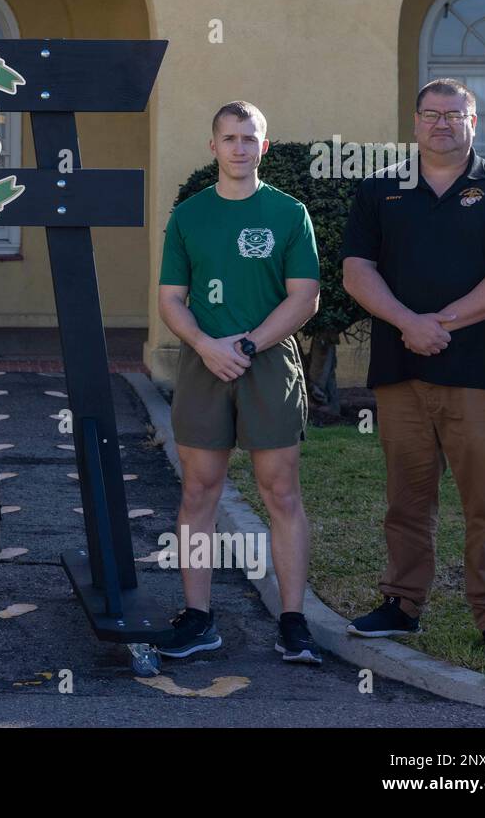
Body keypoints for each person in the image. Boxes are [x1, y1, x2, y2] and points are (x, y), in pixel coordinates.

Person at [340, 78, 485, 660]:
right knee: (407, 499)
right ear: (415, 122)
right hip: (401, 372)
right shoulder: (380, 190)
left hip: (479, 375)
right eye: (431, 115)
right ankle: (401, 605)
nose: (442, 124)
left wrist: (441, 324)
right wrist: (409, 322)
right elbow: (357, 270)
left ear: (473, 123)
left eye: (455, 116)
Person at [157, 101, 324, 664]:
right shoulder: (189, 215)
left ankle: (294, 622)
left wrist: (248, 345)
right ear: (213, 147)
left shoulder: (288, 212)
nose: (238, 147)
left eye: (249, 138)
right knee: (198, 491)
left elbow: (304, 296)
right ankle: (199, 618)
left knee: (280, 492)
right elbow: (171, 301)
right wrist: (207, 346)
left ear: (263, 147)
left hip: (268, 363)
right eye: (228, 138)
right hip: (204, 364)